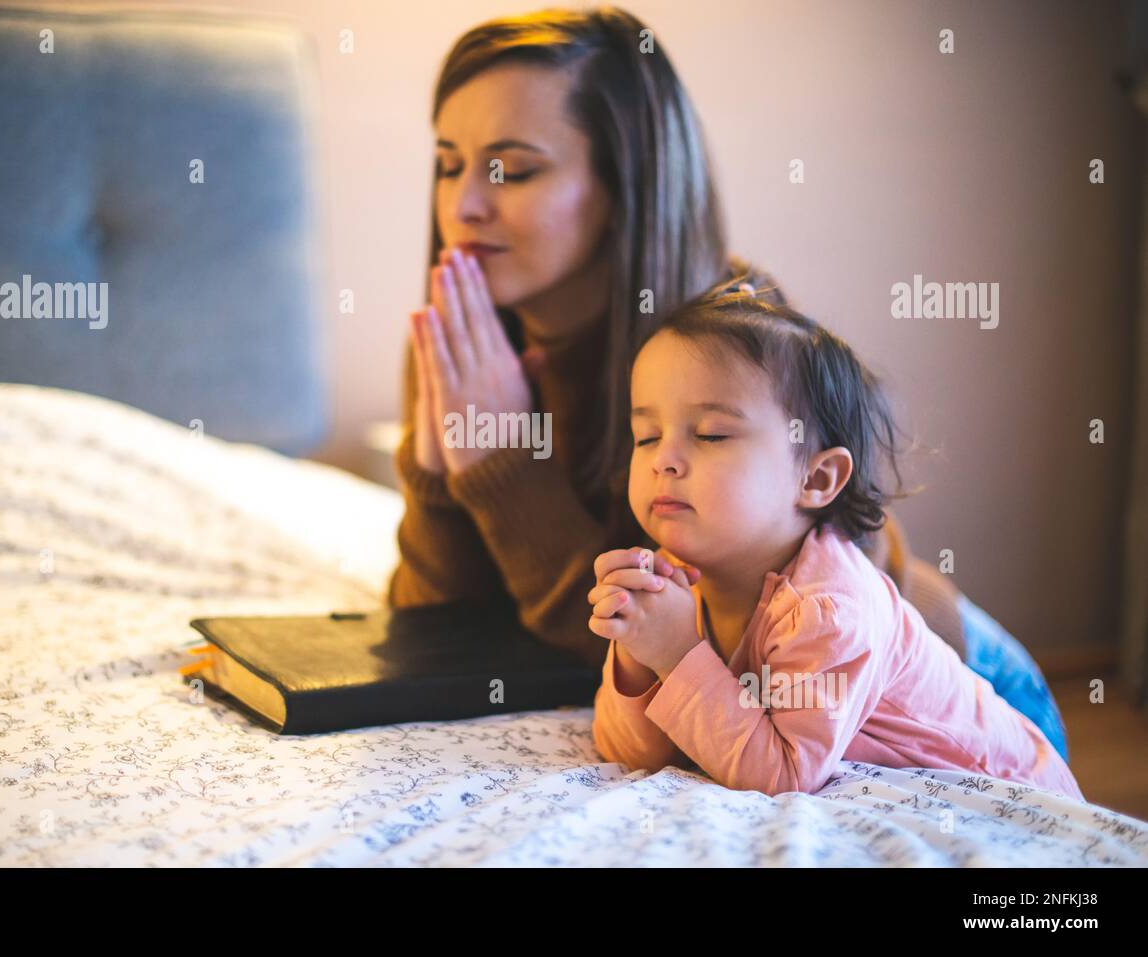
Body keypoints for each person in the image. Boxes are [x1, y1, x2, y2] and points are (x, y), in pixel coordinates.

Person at [386, 5, 1069, 760]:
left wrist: (503, 468)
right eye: (449, 163)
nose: (464, 204)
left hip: (956, 700)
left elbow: (657, 637)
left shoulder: (734, 339)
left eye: (514, 169)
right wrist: (444, 463)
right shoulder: (463, 341)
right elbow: (436, 629)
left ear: (625, 183)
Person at [588, 276, 1081, 797]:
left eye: (710, 433)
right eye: (647, 435)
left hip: (1006, 787)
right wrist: (639, 653)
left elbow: (782, 776)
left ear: (816, 479)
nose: (663, 458)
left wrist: (677, 653)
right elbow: (629, 754)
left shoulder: (828, 609)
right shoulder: (679, 573)